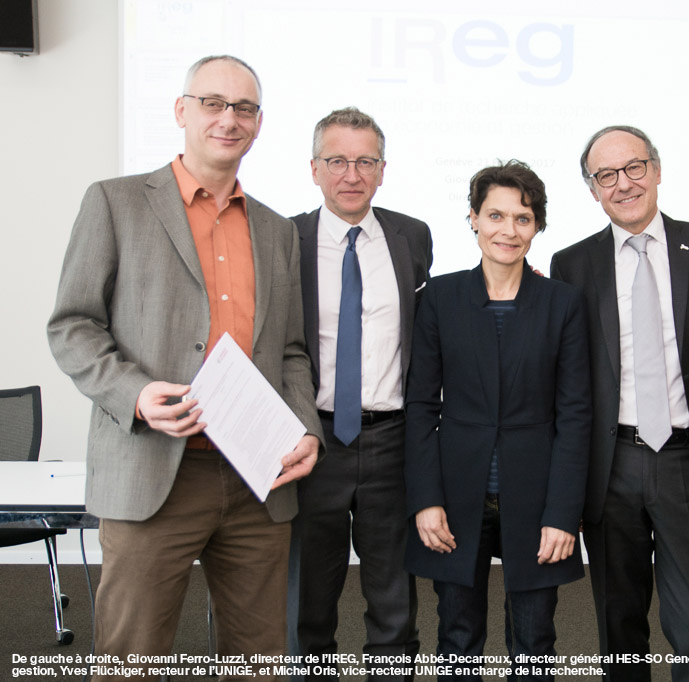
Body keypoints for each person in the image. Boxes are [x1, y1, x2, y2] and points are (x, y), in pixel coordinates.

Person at [46, 55, 322, 680]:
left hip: (257, 479)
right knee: (133, 658)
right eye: (213, 103)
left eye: (244, 108)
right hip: (153, 470)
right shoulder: (115, 203)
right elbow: (72, 325)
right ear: (181, 111)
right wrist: (136, 394)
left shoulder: (276, 230)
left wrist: (305, 428)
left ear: (258, 124)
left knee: (258, 661)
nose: (229, 119)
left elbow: (290, 352)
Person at [549, 125, 689, 682]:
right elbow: (568, 383)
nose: (623, 184)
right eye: (606, 175)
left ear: (657, 170)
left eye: (634, 167)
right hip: (611, 464)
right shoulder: (572, 265)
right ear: (593, 189)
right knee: (619, 625)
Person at [405, 160, 590, 681]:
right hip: (455, 497)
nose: (508, 230)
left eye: (523, 218)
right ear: (473, 218)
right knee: (457, 638)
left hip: (536, 498)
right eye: (495, 215)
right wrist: (425, 500)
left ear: (537, 226)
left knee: (534, 643)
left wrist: (563, 513)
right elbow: (420, 407)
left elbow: (575, 415)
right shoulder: (439, 298)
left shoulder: (563, 303)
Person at [288, 106, 431, 679]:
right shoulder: (287, 238)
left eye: (365, 161)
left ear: (382, 170)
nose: (352, 175)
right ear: (314, 169)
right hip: (311, 442)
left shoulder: (411, 236)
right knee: (308, 596)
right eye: (337, 161)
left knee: (394, 596)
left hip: (391, 442)